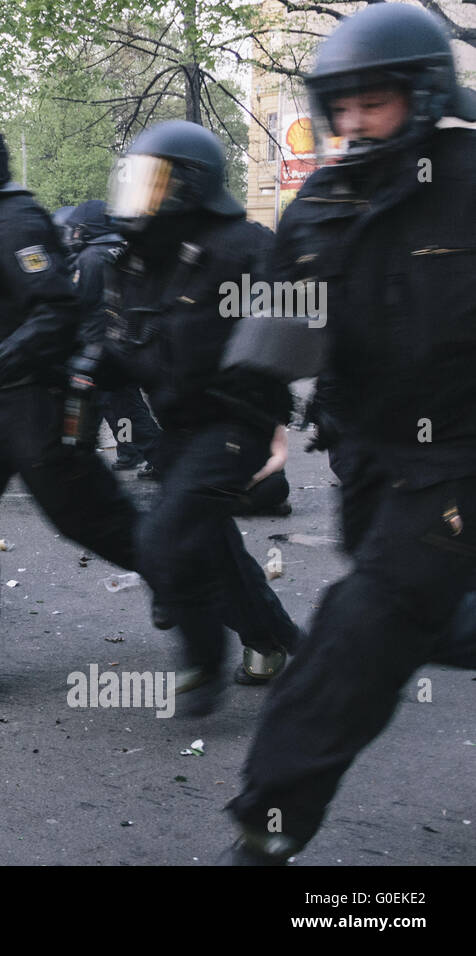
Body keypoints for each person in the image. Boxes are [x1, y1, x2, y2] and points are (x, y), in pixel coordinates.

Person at [227, 3, 476, 863]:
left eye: (377, 102)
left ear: (423, 90)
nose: (358, 121)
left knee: (360, 629)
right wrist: (256, 432)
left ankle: (268, 823)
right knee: (429, 619)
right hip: (370, 461)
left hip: (457, 464)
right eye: (345, 105)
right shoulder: (318, 206)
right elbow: (277, 340)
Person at [0, 117, 142, 692]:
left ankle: (209, 592)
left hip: (30, 399)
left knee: (96, 523)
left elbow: (53, 311)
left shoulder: (15, 221)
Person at [99, 120, 302, 713]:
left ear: (192, 185)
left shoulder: (244, 248)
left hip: (236, 426)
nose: (143, 195)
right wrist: (82, 370)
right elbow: (125, 346)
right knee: (210, 544)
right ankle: (279, 641)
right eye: (138, 181)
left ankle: (202, 663)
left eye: (155, 181)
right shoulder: (140, 260)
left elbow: (306, 321)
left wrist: (320, 414)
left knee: (166, 538)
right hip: (178, 429)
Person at [64, 199, 162, 477]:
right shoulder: (123, 250)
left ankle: (160, 456)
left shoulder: (90, 258)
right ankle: (129, 450)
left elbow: (80, 303)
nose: (73, 236)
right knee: (117, 402)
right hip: (126, 340)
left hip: (100, 343)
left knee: (122, 405)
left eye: (76, 230)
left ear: (88, 229)